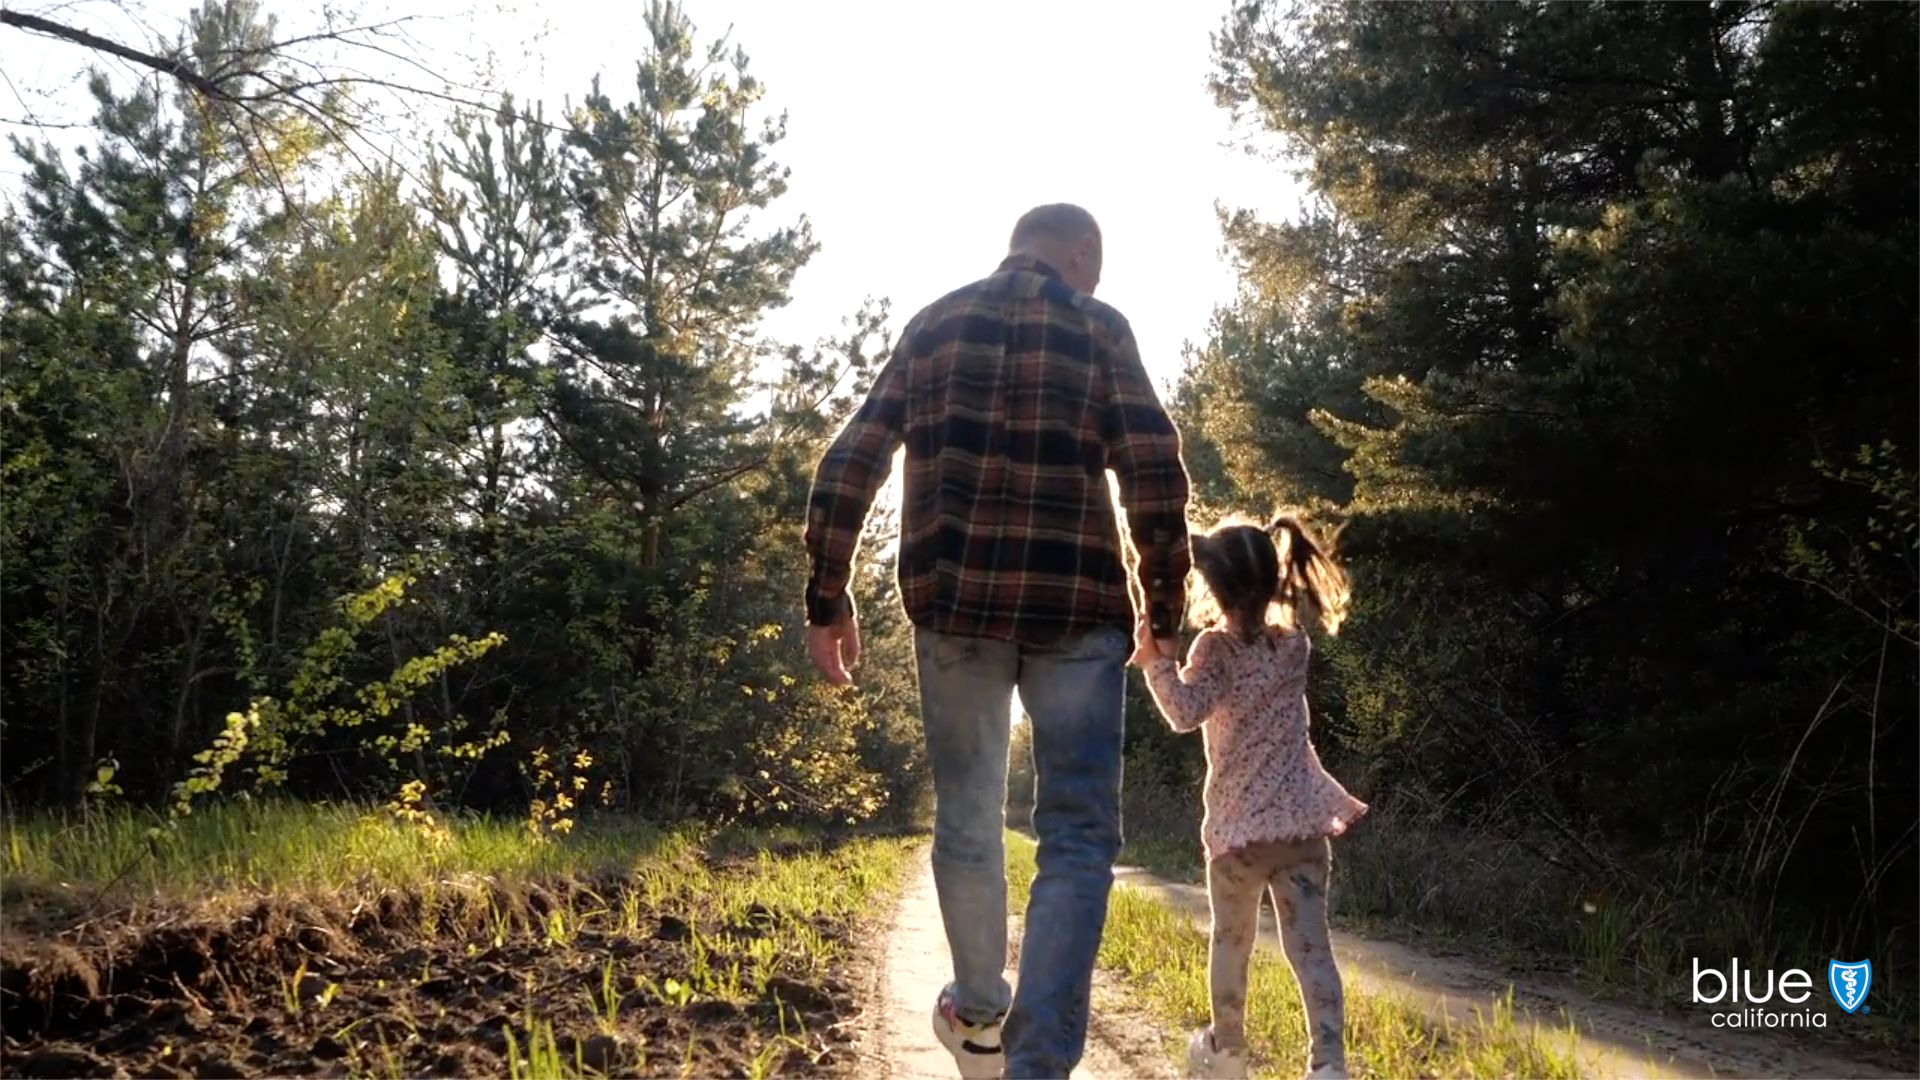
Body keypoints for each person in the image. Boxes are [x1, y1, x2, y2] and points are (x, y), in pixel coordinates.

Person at [802, 203, 1192, 1079]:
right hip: (1078, 612)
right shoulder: (1100, 328)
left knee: (970, 817)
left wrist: (828, 599)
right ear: (1081, 253)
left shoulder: (936, 323)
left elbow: (852, 458)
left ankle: (979, 1013)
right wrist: (1162, 613)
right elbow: (1155, 472)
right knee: (1079, 836)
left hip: (959, 609)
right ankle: (1039, 1064)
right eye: (1098, 264)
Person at [1131, 514, 1366, 1080]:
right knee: (1311, 949)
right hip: (1303, 830)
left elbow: (1186, 714)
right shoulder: (1295, 648)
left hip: (1238, 835)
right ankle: (1328, 1064)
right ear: (1276, 578)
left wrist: (1155, 663)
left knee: (1231, 943)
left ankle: (1227, 1052)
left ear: (1213, 588)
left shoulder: (1214, 650)